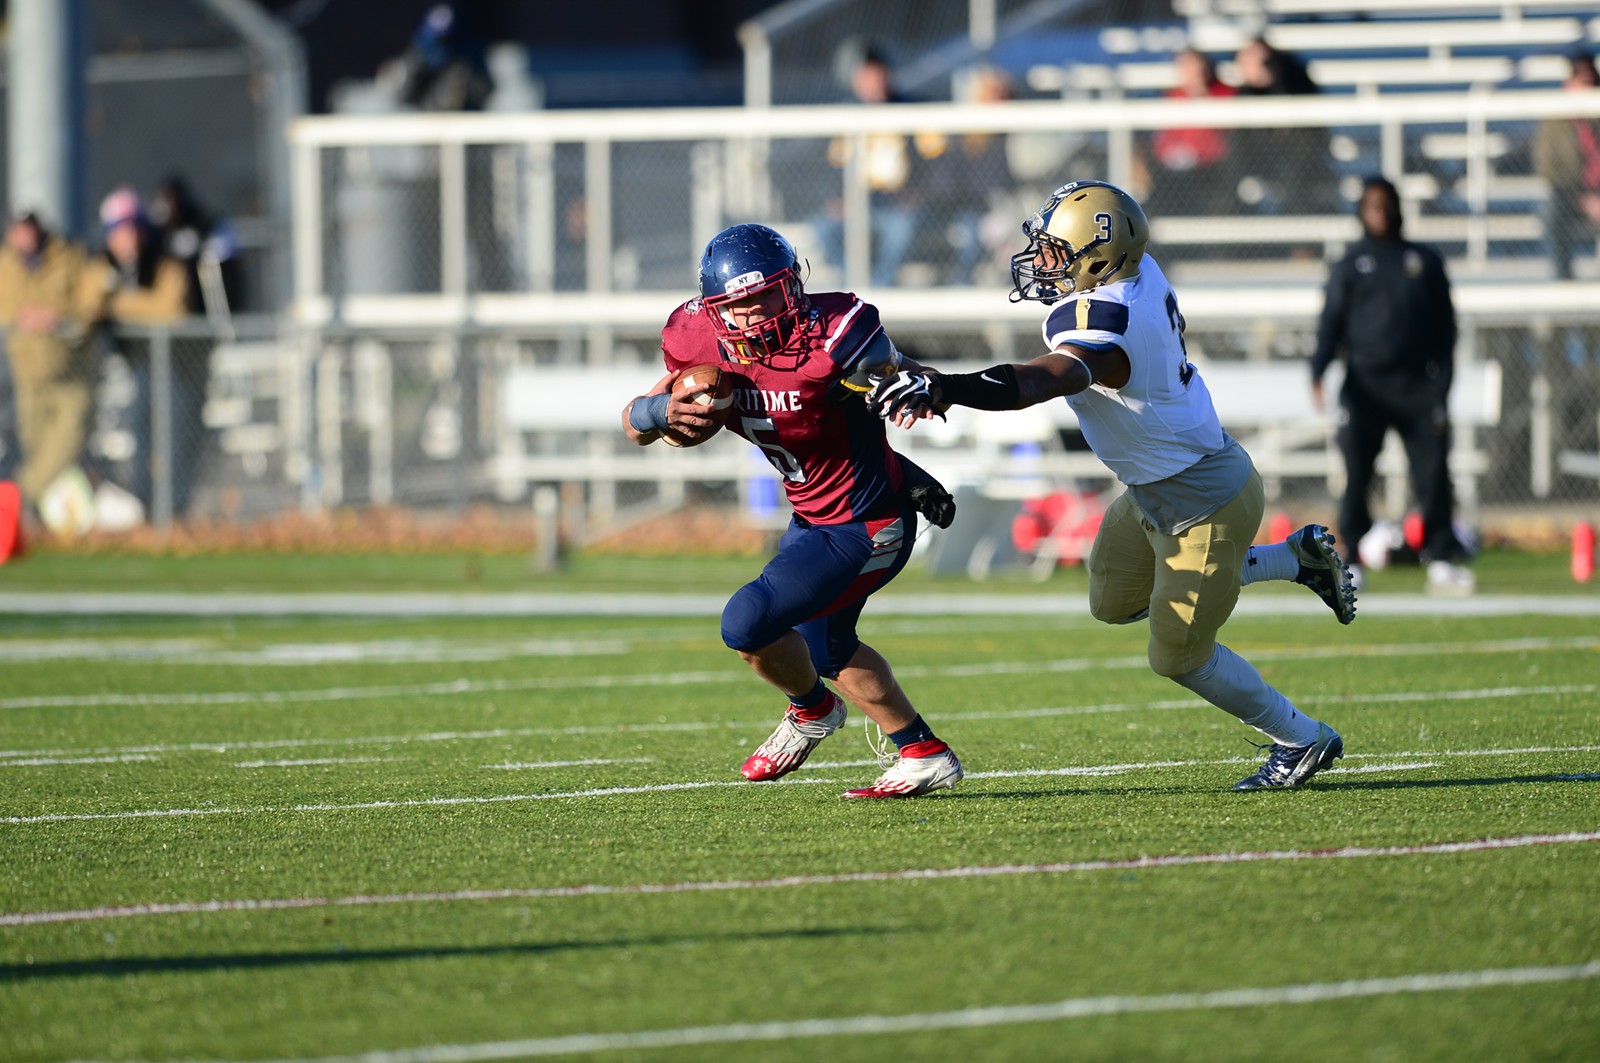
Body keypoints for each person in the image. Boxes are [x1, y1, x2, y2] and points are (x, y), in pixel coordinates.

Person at [869, 180, 1356, 791]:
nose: (1042, 262)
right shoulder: (1138, 270)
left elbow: (1041, 380)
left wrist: (949, 387)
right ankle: (1295, 560)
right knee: (1112, 600)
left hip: (1204, 500)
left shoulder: (1108, 317)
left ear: (1099, 258)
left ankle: (1302, 738)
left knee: (1176, 654)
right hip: (1159, 487)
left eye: (1055, 251)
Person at [620, 222, 963, 798]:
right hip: (811, 517)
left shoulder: (838, 336)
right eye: (740, 306)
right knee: (827, 647)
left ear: (794, 287)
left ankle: (810, 711)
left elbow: (898, 378)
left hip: (868, 524)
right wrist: (659, 413)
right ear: (713, 310)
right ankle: (922, 752)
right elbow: (634, 423)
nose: (755, 316)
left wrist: (909, 389)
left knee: (748, 621)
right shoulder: (696, 340)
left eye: (767, 298)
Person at [1310, 176, 1475, 594]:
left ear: (1398, 208)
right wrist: (1318, 369)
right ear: (1362, 212)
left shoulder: (1424, 261)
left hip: (1418, 387)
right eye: (1372, 206)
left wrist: (1442, 387)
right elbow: (1331, 322)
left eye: (1387, 205)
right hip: (1365, 386)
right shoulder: (1351, 264)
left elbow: (1446, 330)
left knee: (1434, 473)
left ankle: (1440, 557)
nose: (1380, 213)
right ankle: (1351, 555)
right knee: (1357, 471)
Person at [83, 187, 195, 520]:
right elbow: (86, 307)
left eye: (132, 228)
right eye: (119, 230)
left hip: (173, 366)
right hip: (127, 367)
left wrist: (119, 303)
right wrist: (110, 294)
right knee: (139, 436)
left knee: (174, 437)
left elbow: (171, 310)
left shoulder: (162, 261)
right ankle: (143, 507)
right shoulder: (101, 265)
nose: (127, 238)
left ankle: (173, 510)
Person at [0, 210, 96, 516]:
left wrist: (53, 318)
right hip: (28, 373)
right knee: (35, 446)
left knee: (66, 443)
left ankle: (18, 495)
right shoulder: (7, 265)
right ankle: (36, 516)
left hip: (69, 371)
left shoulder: (66, 257)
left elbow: (85, 306)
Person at [813, 43, 927, 288]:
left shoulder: (913, 111)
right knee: (822, 228)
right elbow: (835, 166)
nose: (873, 83)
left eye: (877, 75)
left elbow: (932, 161)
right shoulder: (847, 116)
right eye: (866, 77)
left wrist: (918, 193)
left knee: (901, 229)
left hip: (897, 202)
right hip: (857, 201)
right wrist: (835, 198)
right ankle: (852, 287)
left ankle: (878, 290)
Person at [1137, 48, 1237, 218]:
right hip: (1174, 172)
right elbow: (1163, 140)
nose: (1195, 73)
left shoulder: (1224, 94)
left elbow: (1225, 139)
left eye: (1198, 68)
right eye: (1188, 68)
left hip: (1213, 169)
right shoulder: (1173, 97)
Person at [1532, 50, 1600, 280]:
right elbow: (1549, 168)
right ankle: (1564, 282)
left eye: (1590, 82)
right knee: (1550, 211)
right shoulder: (1557, 120)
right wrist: (1582, 199)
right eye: (1580, 81)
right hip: (1571, 197)